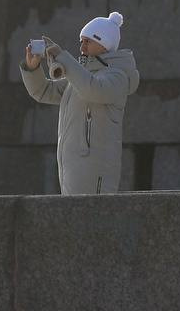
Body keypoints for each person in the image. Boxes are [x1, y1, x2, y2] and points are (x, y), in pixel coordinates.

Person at [20, 11, 141, 195]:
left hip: (96, 165)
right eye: (81, 41)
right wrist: (33, 67)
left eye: (88, 41)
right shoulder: (82, 76)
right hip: (71, 163)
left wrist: (62, 57)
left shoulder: (117, 77)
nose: (82, 47)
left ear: (104, 44)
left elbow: (93, 89)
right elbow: (43, 91)